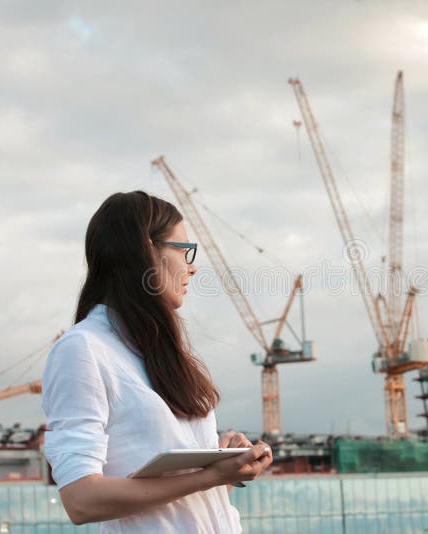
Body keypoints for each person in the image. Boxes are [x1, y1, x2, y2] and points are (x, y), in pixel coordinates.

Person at [41, 190, 273, 532]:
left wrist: (225, 465)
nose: (192, 268)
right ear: (147, 249)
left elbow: (180, 504)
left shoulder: (159, 351)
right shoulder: (83, 349)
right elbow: (81, 498)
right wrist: (209, 475)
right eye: (185, 250)